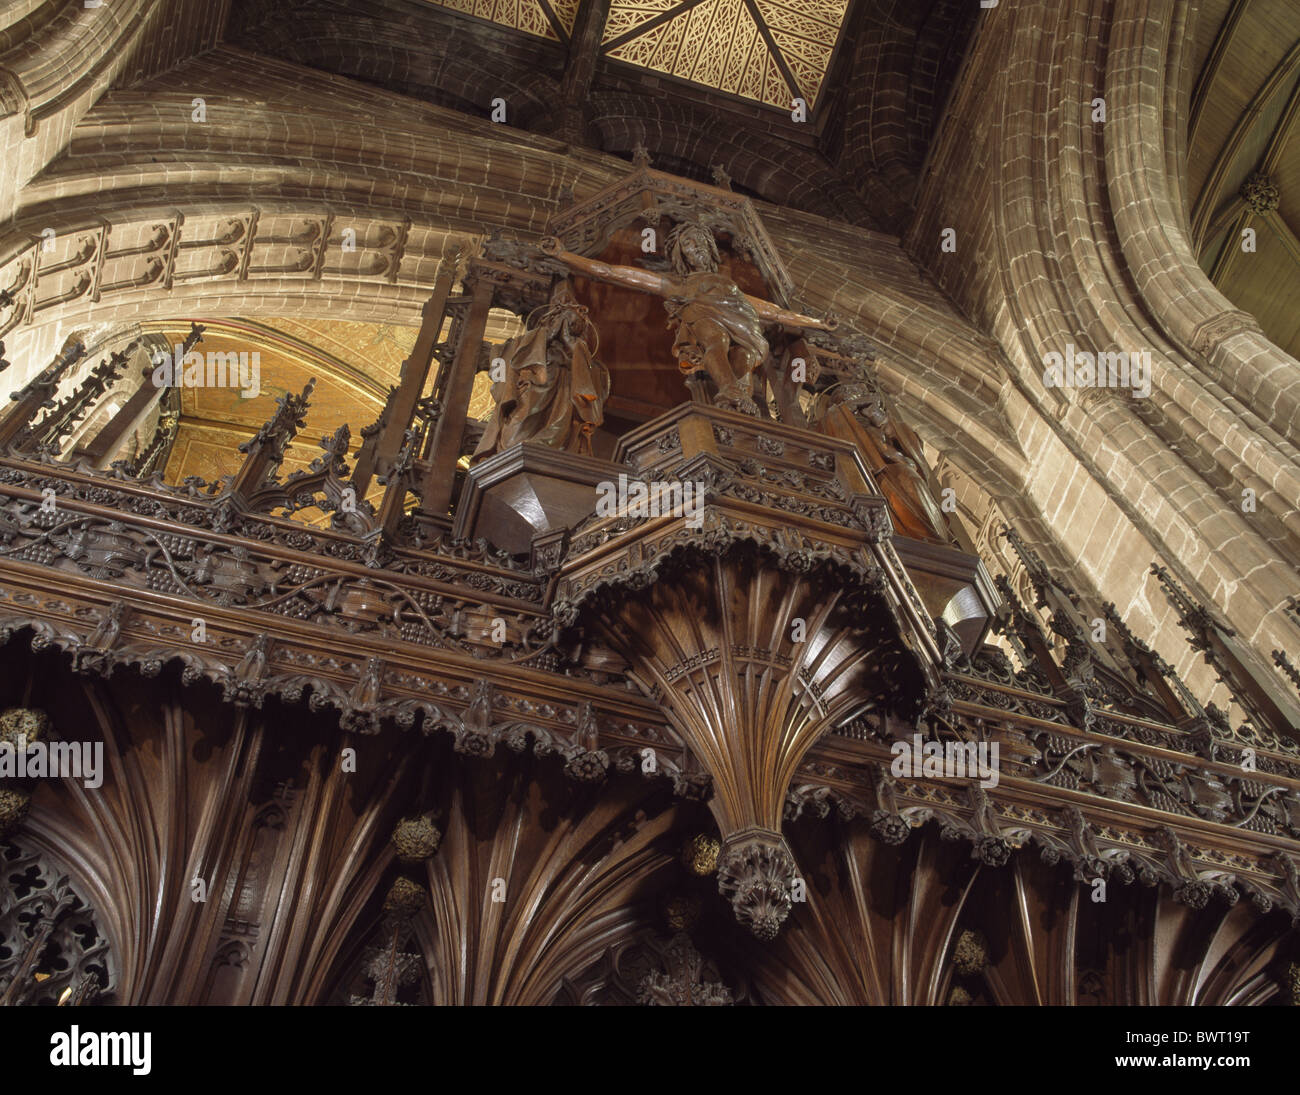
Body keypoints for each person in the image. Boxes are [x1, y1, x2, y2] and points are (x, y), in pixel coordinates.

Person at [540, 223, 831, 414]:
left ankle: (734, 396)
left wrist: (819, 324)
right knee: (712, 338)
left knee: (743, 358)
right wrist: (565, 256)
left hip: (745, 328)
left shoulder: (732, 288)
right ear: (682, 255)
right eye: (689, 245)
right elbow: (612, 272)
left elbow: (775, 313)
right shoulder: (678, 285)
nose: (697, 248)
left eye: (700, 242)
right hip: (705, 322)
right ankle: (729, 392)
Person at [471, 282, 610, 462]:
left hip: (562, 401)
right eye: (566, 323)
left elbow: (591, 394)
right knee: (513, 436)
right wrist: (547, 336)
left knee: (558, 437)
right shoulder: (523, 344)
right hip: (530, 397)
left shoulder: (582, 357)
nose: (568, 328)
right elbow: (502, 364)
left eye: (574, 326)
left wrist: (572, 346)